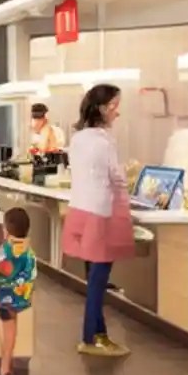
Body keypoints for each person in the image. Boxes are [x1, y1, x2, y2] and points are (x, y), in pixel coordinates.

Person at [61, 84, 134, 357]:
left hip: (79, 211)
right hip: (100, 214)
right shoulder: (104, 141)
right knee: (98, 280)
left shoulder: (78, 138)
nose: (118, 112)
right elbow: (115, 177)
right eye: (115, 105)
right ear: (103, 109)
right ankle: (89, 338)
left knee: (93, 277)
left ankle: (99, 335)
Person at [0, 207, 36, 375]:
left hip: (5, 299)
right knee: (12, 330)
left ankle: (5, 366)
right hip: (21, 298)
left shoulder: (5, 250)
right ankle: (8, 363)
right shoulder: (28, 250)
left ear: (6, 231)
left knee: (9, 332)